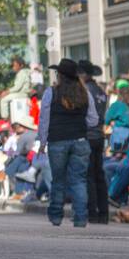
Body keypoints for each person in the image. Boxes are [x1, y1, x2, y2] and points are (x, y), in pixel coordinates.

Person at [37, 59, 96, 227]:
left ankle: (56, 216)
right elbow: (93, 120)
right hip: (80, 140)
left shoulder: (52, 93)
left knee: (58, 180)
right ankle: (80, 218)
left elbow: (44, 119)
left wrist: (42, 141)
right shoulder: (85, 93)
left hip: (57, 141)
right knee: (79, 180)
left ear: (60, 75)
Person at [79, 60, 110, 224]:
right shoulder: (100, 91)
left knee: (89, 175)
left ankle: (92, 212)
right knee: (99, 175)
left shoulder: (84, 91)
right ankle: (104, 212)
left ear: (83, 74)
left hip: (88, 136)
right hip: (99, 135)